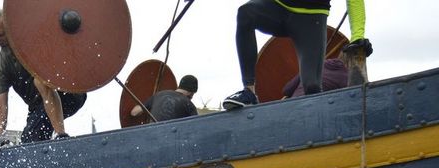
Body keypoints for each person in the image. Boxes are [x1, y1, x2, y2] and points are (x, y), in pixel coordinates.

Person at [222, 0, 370, 110]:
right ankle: (249, 93)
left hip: (312, 18)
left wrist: (358, 36)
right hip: (279, 7)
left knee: (312, 86)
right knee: (246, 13)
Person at [0, 9, 87, 144]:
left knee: (39, 80)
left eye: (1, 35)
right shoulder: (2, 65)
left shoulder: (36, 42)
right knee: (29, 140)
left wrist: (61, 134)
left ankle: (61, 135)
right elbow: (0, 103)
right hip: (39, 106)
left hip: (68, 93)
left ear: (12, 28)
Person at [130, 74, 199, 122]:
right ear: (192, 92)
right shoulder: (189, 104)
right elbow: (196, 127)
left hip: (152, 135)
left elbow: (134, 112)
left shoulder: (158, 95)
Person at [282, 57, 348, 98]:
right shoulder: (345, 77)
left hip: (293, 103)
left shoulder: (312, 65)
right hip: (315, 108)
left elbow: (286, 90)